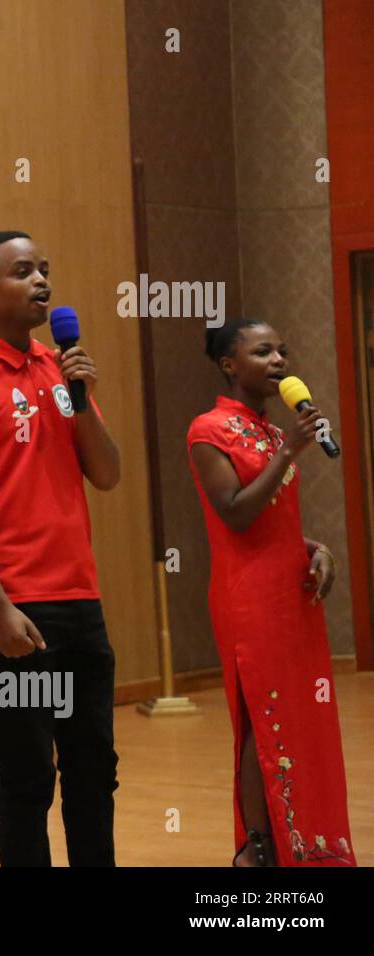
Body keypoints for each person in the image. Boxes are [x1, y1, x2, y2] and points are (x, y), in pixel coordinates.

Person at [0, 230, 122, 867]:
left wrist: (82, 399)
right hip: (14, 608)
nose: (42, 281)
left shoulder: (60, 370)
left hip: (78, 596)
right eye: (23, 271)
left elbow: (107, 473)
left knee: (94, 767)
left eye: (44, 269)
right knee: (28, 772)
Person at [188, 319, 356, 867]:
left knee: (302, 717)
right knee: (263, 717)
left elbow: (275, 522)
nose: (279, 360)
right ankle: (258, 848)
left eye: (282, 351)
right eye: (263, 352)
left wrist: (316, 549)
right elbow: (236, 514)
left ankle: (303, 842)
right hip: (250, 598)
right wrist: (289, 452)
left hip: (293, 596)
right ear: (229, 365)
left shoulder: (273, 431)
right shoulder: (208, 430)